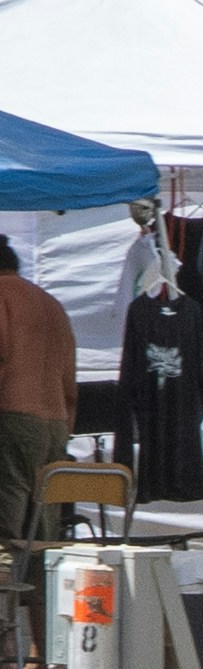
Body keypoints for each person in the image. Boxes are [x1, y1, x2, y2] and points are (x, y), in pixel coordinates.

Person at [0, 235, 74, 548]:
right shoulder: (50, 302)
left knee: (9, 507)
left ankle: (5, 591)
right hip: (55, 419)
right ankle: (43, 592)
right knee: (43, 514)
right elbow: (69, 376)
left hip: (13, 413)